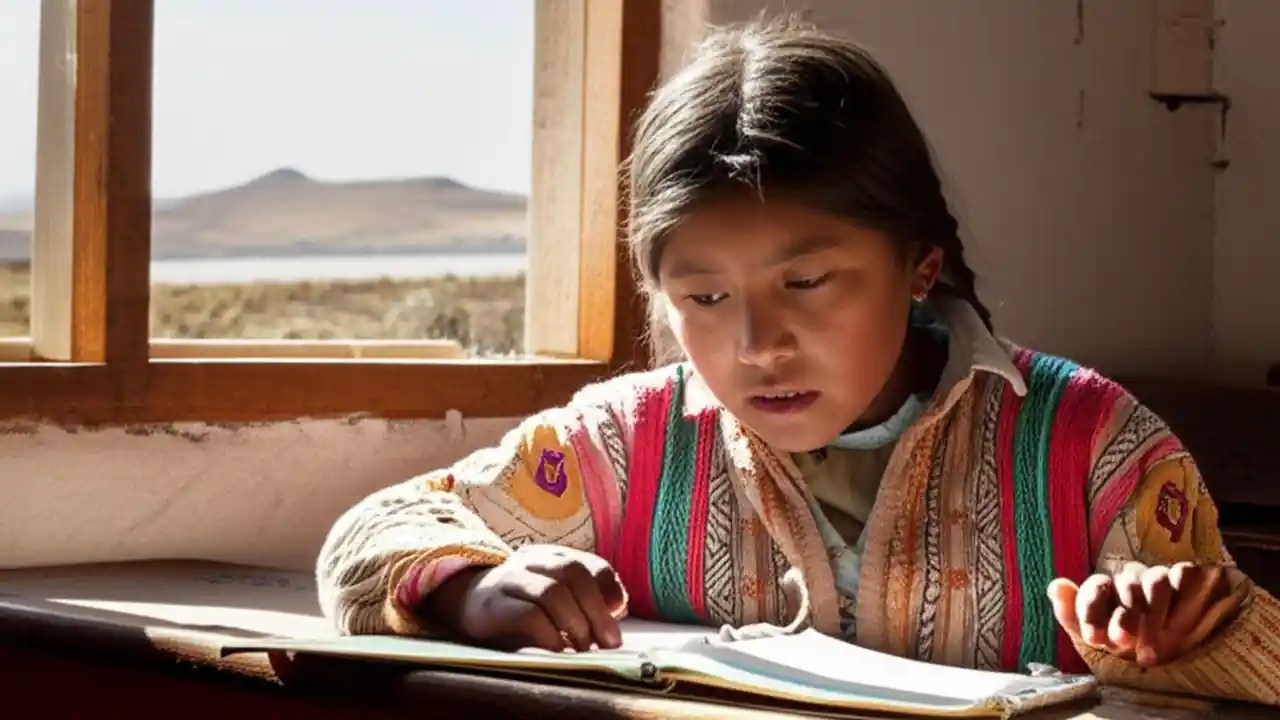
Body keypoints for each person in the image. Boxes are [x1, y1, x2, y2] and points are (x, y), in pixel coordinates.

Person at [316, 18, 1279, 704]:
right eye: (702, 299)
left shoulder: (1095, 446)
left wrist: (1191, 632)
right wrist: (469, 590)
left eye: (809, 282)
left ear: (919, 264)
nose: (757, 345)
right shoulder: (625, 441)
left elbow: (1262, 668)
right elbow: (373, 532)